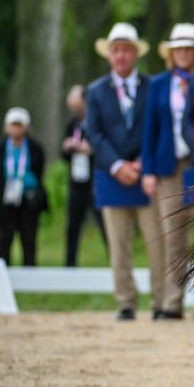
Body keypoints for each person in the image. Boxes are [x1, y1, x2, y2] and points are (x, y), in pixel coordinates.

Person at [85, 22, 167, 321]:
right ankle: (126, 302)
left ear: (135, 54)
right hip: (111, 176)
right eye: (115, 50)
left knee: (156, 242)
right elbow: (94, 134)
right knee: (118, 246)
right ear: (109, 55)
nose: (120, 56)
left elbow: (159, 126)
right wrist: (118, 165)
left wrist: (143, 163)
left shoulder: (153, 86)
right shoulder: (94, 92)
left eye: (125, 50)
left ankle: (161, 302)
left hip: (148, 175)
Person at [141, 23, 194, 320]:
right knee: (172, 237)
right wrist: (148, 171)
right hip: (168, 169)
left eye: (188, 48)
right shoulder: (158, 85)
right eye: (178, 49)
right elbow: (149, 130)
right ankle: (172, 302)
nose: (183, 53)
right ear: (171, 53)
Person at [0, 107, 47, 266]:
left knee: (28, 239)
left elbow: (39, 170)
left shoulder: (35, 148)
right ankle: (3, 273)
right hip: (6, 198)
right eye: (13, 125)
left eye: (19, 125)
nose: (16, 128)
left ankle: (30, 274)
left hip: (28, 199)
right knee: (4, 239)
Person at [62, 85, 107, 266]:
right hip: (77, 180)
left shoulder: (96, 121)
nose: (75, 110)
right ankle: (70, 264)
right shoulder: (72, 124)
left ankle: (115, 261)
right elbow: (64, 155)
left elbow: (103, 148)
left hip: (94, 180)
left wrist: (89, 150)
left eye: (77, 106)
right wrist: (67, 147)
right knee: (73, 223)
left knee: (104, 222)